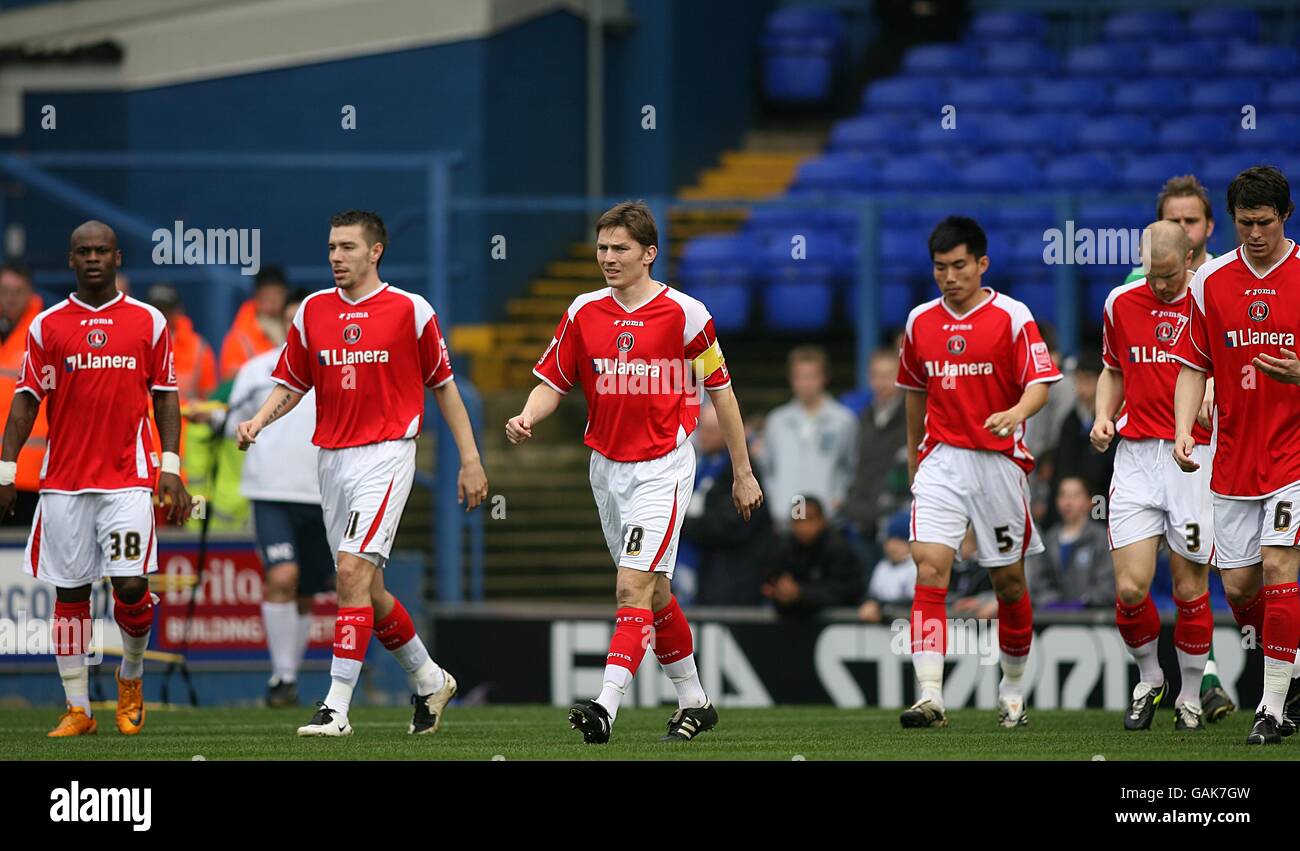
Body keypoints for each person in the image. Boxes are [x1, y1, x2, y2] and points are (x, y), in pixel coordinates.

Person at [506, 200, 763, 744]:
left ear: (649, 253)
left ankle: (605, 706)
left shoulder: (687, 315)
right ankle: (695, 701)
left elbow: (723, 395)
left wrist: (743, 471)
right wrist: (528, 414)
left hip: (662, 467)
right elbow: (553, 382)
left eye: (620, 248)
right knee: (656, 592)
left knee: (630, 586)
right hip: (605, 467)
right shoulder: (583, 311)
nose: (608, 257)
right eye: (602, 248)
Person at [237, 210, 488, 737]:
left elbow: (444, 386)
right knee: (367, 589)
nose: (336, 256)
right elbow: (293, 381)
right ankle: (429, 677)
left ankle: (335, 707)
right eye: (331, 246)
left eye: (348, 247)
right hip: (331, 459)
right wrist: (259, 419)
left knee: (348, 574)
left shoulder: (410, 311)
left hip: (388, 453)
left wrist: (469, 460)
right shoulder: (310, 312)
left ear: (375, 251)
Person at [0, 221, 191, 737]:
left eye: (100, 251)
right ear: (70, 260)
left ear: (117, 257)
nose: (92, 258)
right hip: (63, 485)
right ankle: (79, 707)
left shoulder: (148, 322)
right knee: (70, 593)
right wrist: (6, 468)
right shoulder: (47, 326)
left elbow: (166, 394)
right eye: (82, 251)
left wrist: (169, 467)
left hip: (128, 483)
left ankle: (131, 675)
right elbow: (25, 400)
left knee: (130, 586)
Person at [895, 215, 1062, 730]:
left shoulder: (1013, 317)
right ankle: (930, 696)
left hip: (998, 461)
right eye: (941, 267)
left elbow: (1039, 383)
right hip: (941, 458)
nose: (949, 276)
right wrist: (914, 459)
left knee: (1009, 584)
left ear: (982, 264)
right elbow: (914, 392)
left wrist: (1017, 414)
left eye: (959, 266)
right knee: (928, 568)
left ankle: (1012, 689)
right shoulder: (919, 321)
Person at [1172, 166, 1300, 745]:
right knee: (1243, 586)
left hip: (1293, 455)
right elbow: (1193, 363)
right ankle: (1290, 669)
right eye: (1245, 223)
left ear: (1285, 217)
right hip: (1232, 460)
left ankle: (1271, 707)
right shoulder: (1211, 281)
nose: (1254, 234)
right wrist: (1182, 429)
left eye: (1264, 223)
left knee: (1278, 567)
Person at [1092, 221, 1226, 732]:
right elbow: (1112, 368)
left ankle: (1191, 694)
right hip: (1135, 459)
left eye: (1170, 275)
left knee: (1191, 586)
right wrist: (1104, 416)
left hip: (1192, 456)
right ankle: (1150, 678)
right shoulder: (1120, 303)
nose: (1162, 285)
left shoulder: (1210, 299)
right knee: (1130, 589)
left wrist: (1214, 393)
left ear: (1190, 257)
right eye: (1154, 275)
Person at [226, 289, 328, 707]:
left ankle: (291, 677)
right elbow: (236, 423)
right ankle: (281, 677)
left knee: (308, 591)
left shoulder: (334, 366)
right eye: (291, 319)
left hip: (323, 494)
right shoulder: (255, 370)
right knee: (281, 576)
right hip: (270, 491)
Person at [680, 400, 772, 606]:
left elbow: (729, 525)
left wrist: (681, 522)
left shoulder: (742, 473)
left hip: (733, 579)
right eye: (701, 428)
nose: (703, 435)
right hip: (707, 571)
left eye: (711, 430)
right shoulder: (700, 464)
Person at [760, 345, 857, 530]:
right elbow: (767, 469)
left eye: (812, 376)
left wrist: (838, 499)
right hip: (784, 519)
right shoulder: (776, 421)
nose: (806, 383)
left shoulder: (844, 420)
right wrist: (776, 499)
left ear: (824, 378)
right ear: (791, 379)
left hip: (827, 520)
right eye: (800, 377)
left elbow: (851, 467)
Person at [841, 346, 908, 568]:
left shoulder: (913, 416)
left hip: (898, 525)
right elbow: (855, 465)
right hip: (862, 519)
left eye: (889, 375)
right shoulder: (863, 418)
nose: (882, 382)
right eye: (877, 375)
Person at [0, 261, 47, 525]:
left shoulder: (44, 332)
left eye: (17, 291)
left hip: (31, 473)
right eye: (4, 290)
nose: (10, 298)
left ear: (29, 292)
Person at [762, 496, 863, 617]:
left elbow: (846, 592)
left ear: (822, 521)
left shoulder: (837, 548)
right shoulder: (784, 547)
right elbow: (770, 582)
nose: (803, 527)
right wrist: (777, 591)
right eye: (798, 521)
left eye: (809, 519)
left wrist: (801, 593)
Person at [1026, 477, 1113, 609]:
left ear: (1090, 501)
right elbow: (1040, 584)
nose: (1068, 502)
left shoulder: (1100, 537)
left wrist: (1086, 602)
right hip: (1055, 619)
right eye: (1063, 495)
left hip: (1094, 619)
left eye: (1075, 495)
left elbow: (1108, 584)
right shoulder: (1049, 538)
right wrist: (1054, 603)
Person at [221, 265, 289, 380]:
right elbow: (231, 381)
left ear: (286, 294)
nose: (272, 300)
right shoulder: (239, 336)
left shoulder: (295, 324)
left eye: (277, 293)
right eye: (267, 294)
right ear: (257, 296)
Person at [857, 509, 916, 623]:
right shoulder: (882, 566)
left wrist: (880, 607)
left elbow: (912, 602)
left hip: (906, 626)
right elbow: (872, 595)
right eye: (890, 541)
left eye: (900, 542)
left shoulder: (915, 567)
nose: (892, 547)